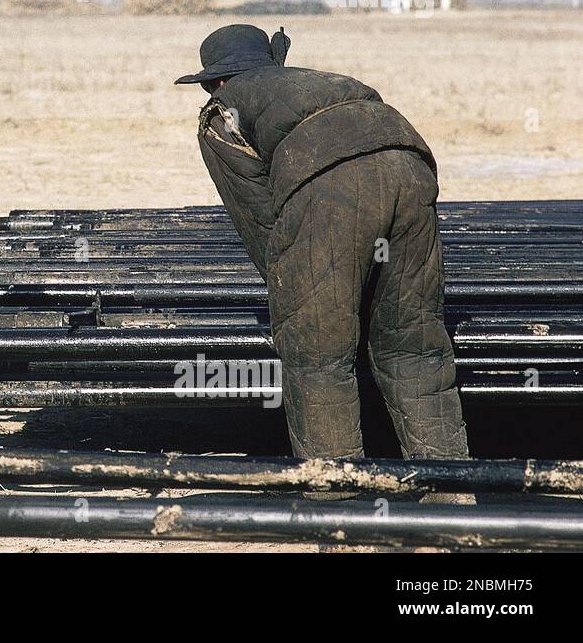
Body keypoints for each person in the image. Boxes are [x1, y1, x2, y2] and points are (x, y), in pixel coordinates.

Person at [177, 24, 469, 464]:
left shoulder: (220, 116)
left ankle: (334, 500)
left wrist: (296, 290)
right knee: (415, 344)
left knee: (316, 353)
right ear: (271, 61)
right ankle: (451, 493)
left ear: (215, 80)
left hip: (331, 188)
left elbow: (263, 223)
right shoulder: (327, 81)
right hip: (411, 169)